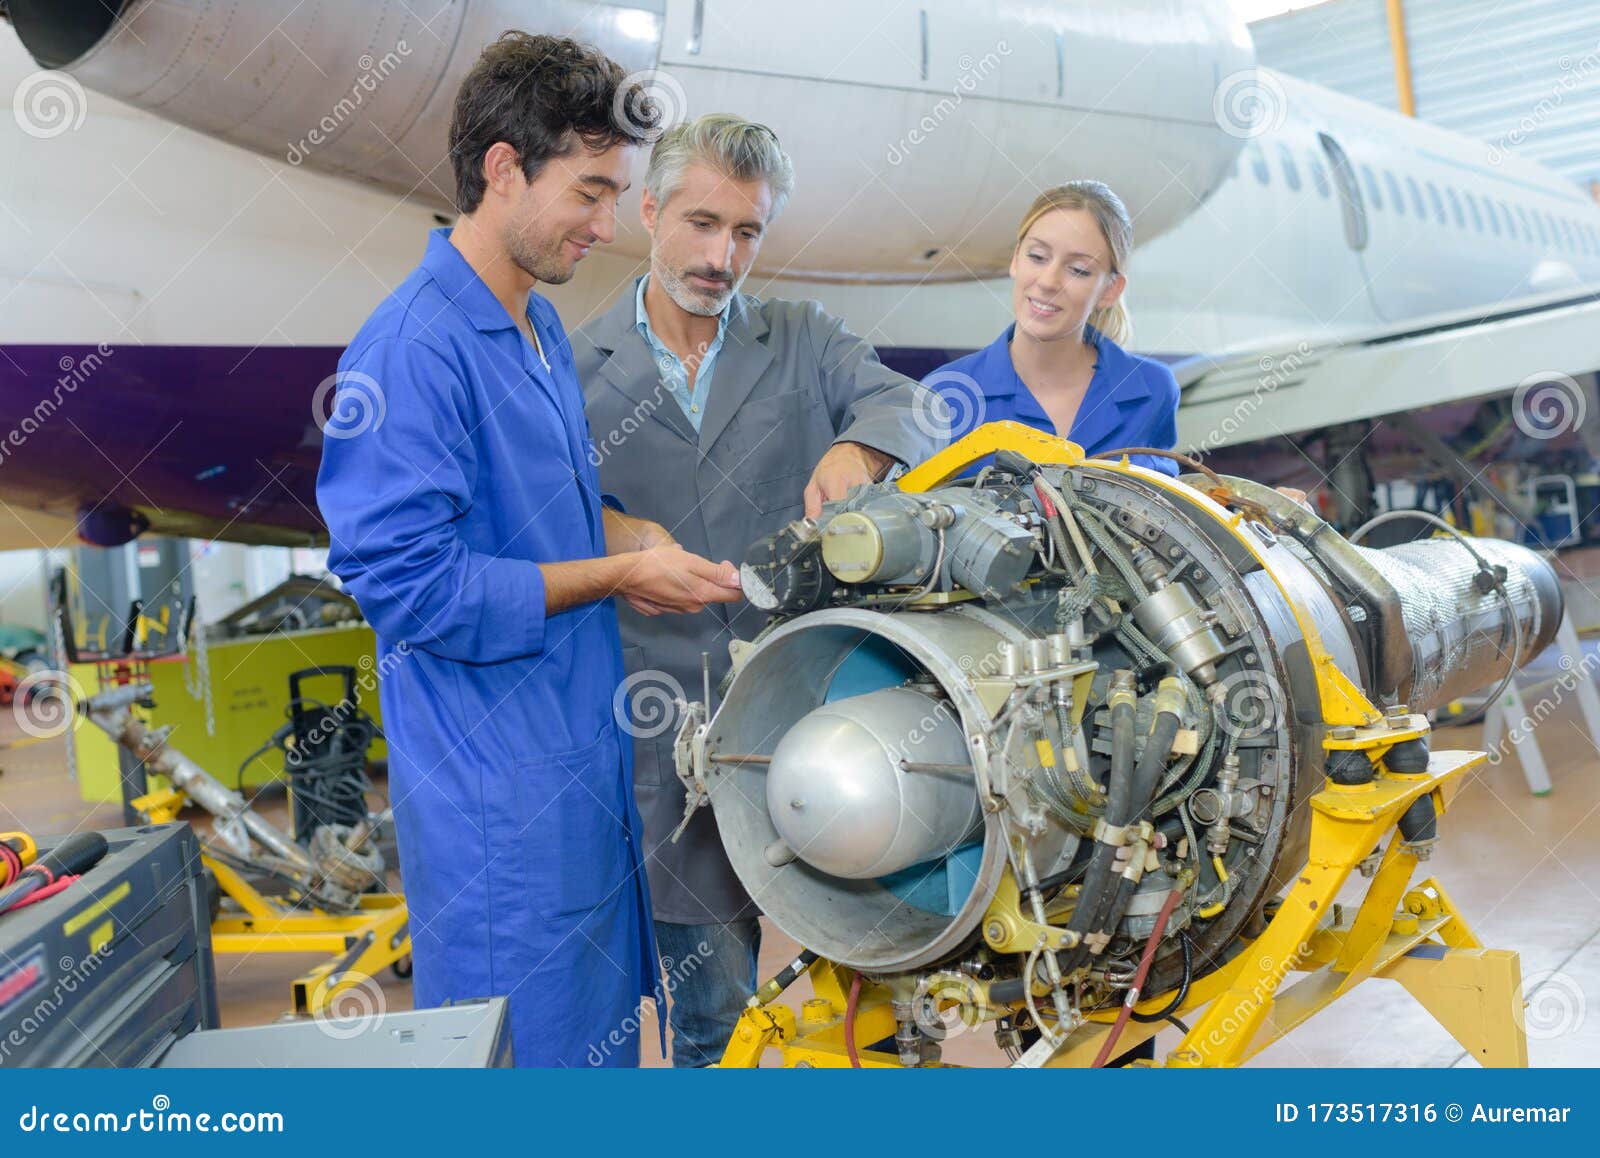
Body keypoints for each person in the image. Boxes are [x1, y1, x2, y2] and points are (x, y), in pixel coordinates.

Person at [316, 34, 742, 1068]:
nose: (609, 226)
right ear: (504, 168)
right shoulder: (412, 351)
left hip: (580, 778)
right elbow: (411, 588)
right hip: (495, 821)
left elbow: (548, 513)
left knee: (596, 1053)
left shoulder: (537, 328)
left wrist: (634, 536)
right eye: (590, 194)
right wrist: (620, 574)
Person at [574, 113, 942, 1066]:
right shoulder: (573, 368)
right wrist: (605, 535)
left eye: (746, 232)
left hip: (818, 713)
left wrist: (861, 444)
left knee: (873, 998)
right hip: (665, 734)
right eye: (701, 223)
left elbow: (915, 404)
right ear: (648, 210)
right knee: (712, 1014)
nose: (721, 254)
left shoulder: (802, 337)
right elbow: (527, 512)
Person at [928, 181, 1180, 477]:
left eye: (1078, 270)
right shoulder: (944, 394)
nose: (1048, 282)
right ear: (1015, 260)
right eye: (1037, 257)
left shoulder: (1152, 391)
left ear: (1110, 290)